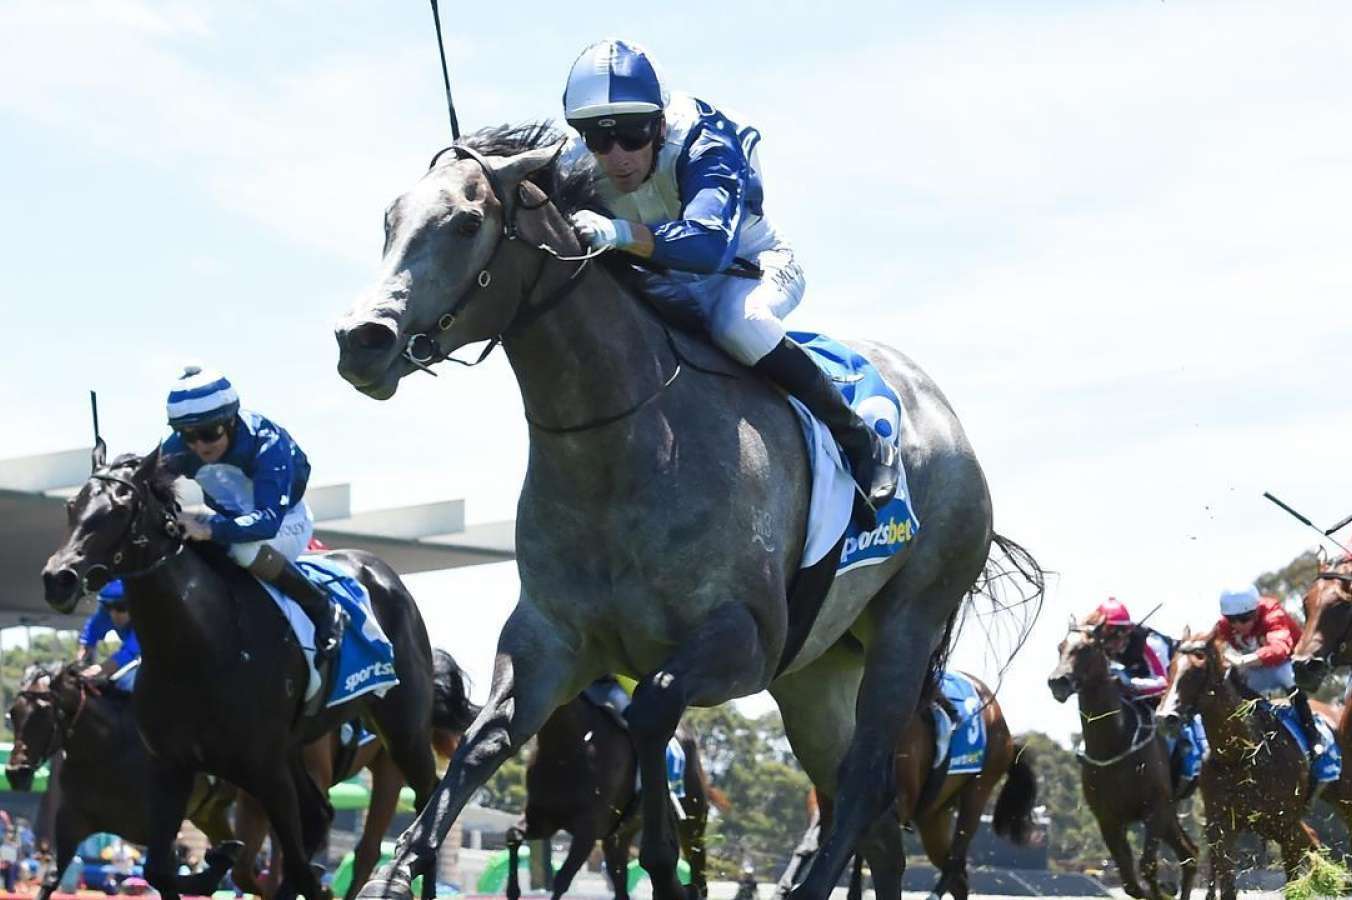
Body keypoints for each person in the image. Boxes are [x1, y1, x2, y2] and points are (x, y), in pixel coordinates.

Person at [560, 38, 899, 516]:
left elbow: (707, 245)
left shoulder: (706, 141)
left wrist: (618, 231)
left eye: (632, 135)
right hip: (664, 281)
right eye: (598, 137)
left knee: (739, 325)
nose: (616, 156)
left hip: (749, 271)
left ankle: (859, 440)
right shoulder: (576, 163)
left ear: (659, 123)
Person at [161, 365, 337, 659]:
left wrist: (209, 529)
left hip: (285, 521)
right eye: (187, 436)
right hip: (227, 519)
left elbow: (267, 521)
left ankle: (320, 606)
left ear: (230, 421)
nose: (199, 446)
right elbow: (144, 479)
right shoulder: (179, 447)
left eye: (208, 433)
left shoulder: (267, 442)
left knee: (243, 550)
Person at [1094, 597, 1206, 793]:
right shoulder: (1102, 648)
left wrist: (1129, 683)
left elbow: (1165, 685)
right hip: (1136, 698)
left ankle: (1183, 770)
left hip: (1172, 695)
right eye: (1101, 636)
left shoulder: (1150, 645)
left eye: (1110, 636)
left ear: (1124, 631)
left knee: (1170, 729)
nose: (1106, 644)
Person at [1214, 585, 1324, 756]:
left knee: (1286, 676)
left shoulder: (1273, 613)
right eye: (1232, 620)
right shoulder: (1224, 625)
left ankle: (1313, 736)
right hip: (1255, 666)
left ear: (1256, 611)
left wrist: (1242, 660)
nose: (1238, 625)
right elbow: (1215, 646)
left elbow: (1280, 649)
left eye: (1244, 618)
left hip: (1285, 663)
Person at [78, 580, 141, 690]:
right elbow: (90, 636)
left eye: (121, 607)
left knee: (127, 684)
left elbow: (129, 652)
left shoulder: (146, 619)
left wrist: (100, 668)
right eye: (108, 607)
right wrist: (79, 661)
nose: (114, 614)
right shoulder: (105, 614)